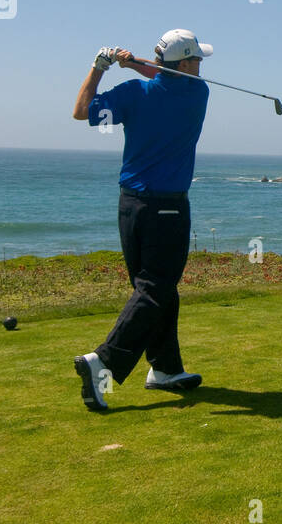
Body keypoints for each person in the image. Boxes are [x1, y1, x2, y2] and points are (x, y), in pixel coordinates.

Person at [69, 29, 212, 411]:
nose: (201, 67)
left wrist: (101, 67)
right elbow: (166, 80)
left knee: (156, 288)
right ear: (184, 64)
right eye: (197, 60)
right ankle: (104, 361)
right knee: (154, 288)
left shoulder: (133, 93)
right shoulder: (198, 93)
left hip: (130, 207)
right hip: (168, 208)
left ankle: (164, 369)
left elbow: (82, 111)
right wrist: (131, 63)